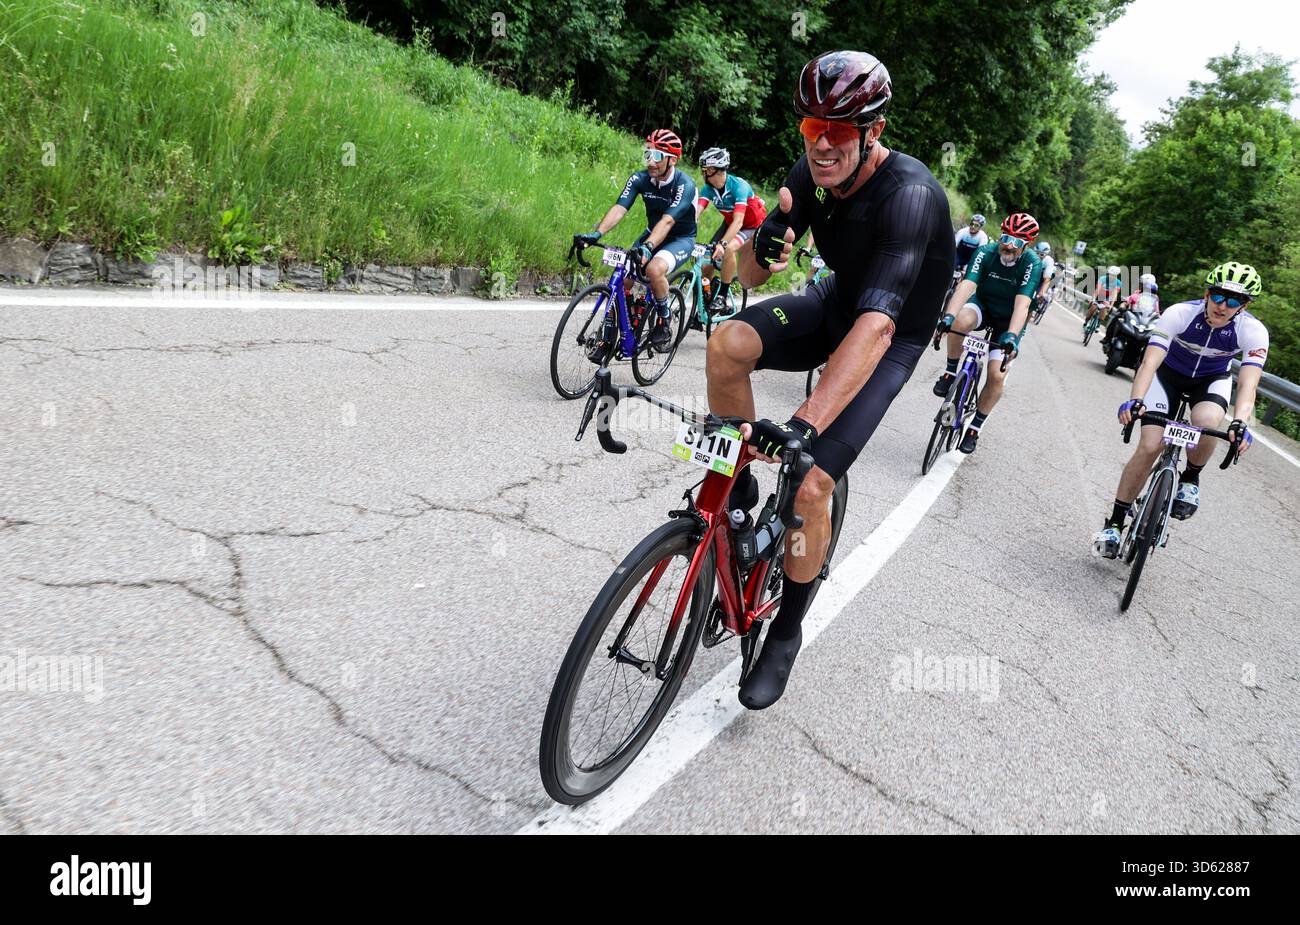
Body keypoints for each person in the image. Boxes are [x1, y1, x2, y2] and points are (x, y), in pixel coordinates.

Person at [707, 50, 953, 709]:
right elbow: (755, 280)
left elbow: (876, 327)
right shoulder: (810, 177)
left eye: (839, 132)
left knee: (813, 478)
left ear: (873, 131)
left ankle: (786, 629)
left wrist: (804, 421)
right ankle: (740, 484)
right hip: (835, 302)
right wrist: (764, 247)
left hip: (889, 334)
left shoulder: (910, 195)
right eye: (811, 129)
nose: (822, 146)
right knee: (727, 343)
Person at [1093, 262, 1266, 557]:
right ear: (1207, 293)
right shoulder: (1180, 314)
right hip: (1168, 376)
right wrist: (1136, 400)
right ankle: (1115, 523)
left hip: (1211, 381)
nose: (1223, 306)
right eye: (1219, 296)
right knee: (1150, 446)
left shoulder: (1253, 331)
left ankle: (1190, 477)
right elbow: (1150, 362)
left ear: (1245, 305)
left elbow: (1248, 385)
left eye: (1234, 300)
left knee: (1208, 421)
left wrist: (1241, 422)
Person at [931, 212, 1044, 454]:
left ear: (1027, 245)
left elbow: (1022, 305)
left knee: (996, 375)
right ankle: (951, 372)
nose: (1008, 245)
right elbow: (967, 286)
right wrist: (947, 317)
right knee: (960, 321)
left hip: (1008, 320)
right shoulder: (986, 252)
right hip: (982, 305)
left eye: (1016, 242)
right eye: (1005, 237)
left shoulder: (1032, 263)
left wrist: (1012, 337)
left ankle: (975, 428)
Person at [574, 129, 697, 350]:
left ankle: (664, 319)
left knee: (653, 270)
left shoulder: (684, 185)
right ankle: (609, 334)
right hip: (652, 232)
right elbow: (620, 208)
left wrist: (649, 247)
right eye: (647, 154)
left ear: (673, 160)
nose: (650, 161)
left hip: (679, 238)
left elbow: (668, 221)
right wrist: (596, 234)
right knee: (620, 279)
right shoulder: (640, 179)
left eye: (657, 156)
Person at [694, 147, 767, 315]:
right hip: (729, 223)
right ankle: (706, 303)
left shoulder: (739, 186)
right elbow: (696, 212)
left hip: (751, 225)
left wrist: (723, 243)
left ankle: (723, 295)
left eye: (706, 170)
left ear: (715, 170)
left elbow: (739, 220)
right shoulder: (708, 189)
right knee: (706, 262)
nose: (703, 173)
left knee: (728, 249)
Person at [1084, 265, 1123, 329]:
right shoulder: (1103, 278)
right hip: (1099, 295)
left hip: (1107, 297)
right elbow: (1097, 290)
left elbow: (1115, 294)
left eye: (1113, 275)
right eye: (1110, 274)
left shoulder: (1118, 283)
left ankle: (1098, 323)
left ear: (1116, 275)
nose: (1111, 276)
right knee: (1093, 307)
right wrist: (1093, 299)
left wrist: (1111, 305)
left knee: (1104, 308)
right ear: (1108, 273)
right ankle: (1087, 320)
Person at [1032, 241, 1055, 316]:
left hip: (1041, 279)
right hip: (1029, 274)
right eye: (1036, 253)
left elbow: (1046, 280)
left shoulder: (1049, 261)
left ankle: (1032, 308)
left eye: (1041, 254)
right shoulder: (1030, 255)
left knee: (1035, 300)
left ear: (1046, 255)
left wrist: (1041, 293)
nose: (1038, 256)